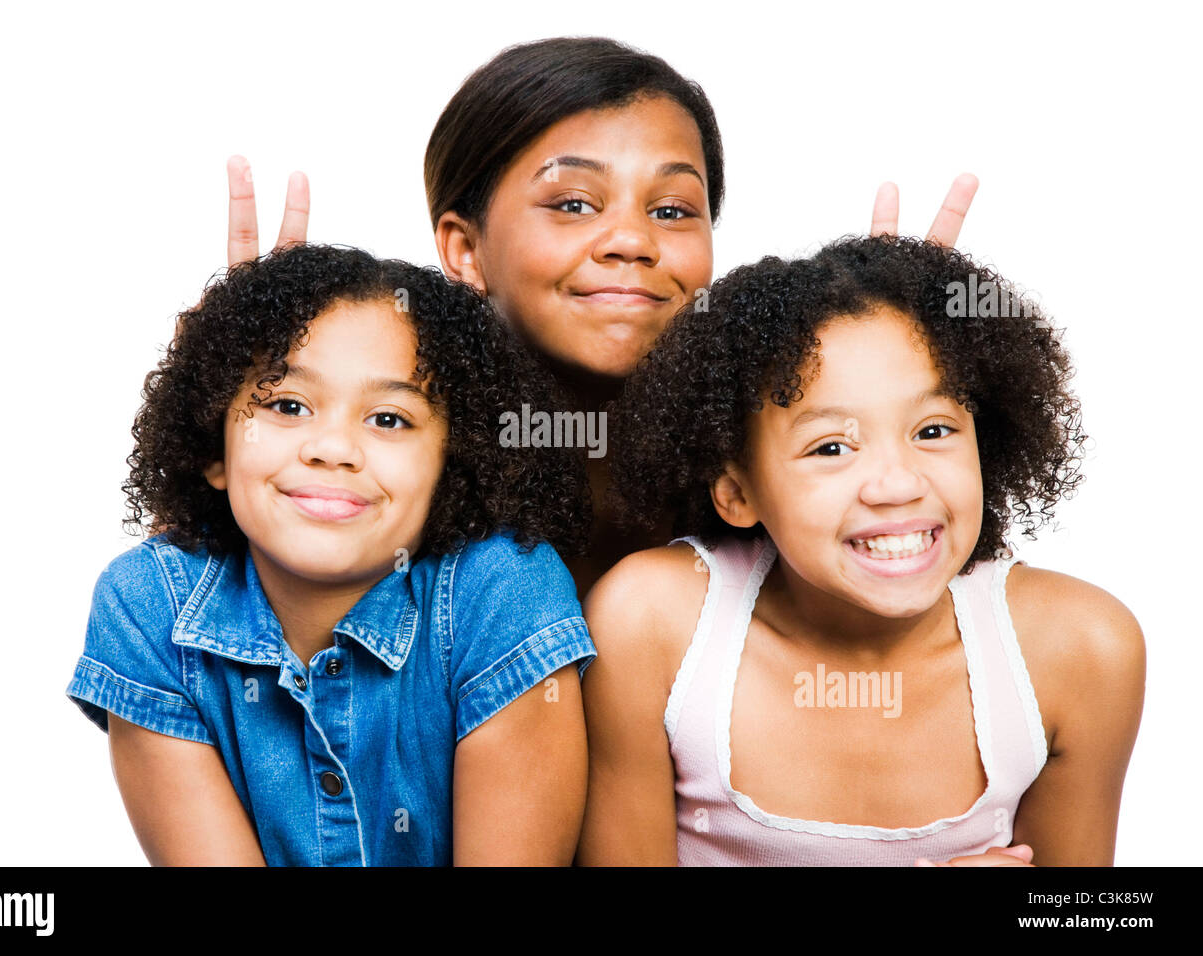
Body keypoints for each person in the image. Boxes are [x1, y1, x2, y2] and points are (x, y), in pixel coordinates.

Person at [224, 36, 979, 590]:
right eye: (574, 203)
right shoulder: (379, 446)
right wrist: (245, 395)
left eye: (674, 208)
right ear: (463, 250)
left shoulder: (765, 440)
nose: (631, 240)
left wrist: (884, 372)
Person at [577, 235, 1145, 865]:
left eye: (932, 430)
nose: (898, 484)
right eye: (831, 447)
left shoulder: (1080, 650)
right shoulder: (652, 624)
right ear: (737, 491)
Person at [67, 243, 595, 865]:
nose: (333, 448)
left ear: (452, 467)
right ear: (215, 443)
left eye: (390, 419)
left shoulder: (504, 591)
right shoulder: (147, 605)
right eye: (287, 406)